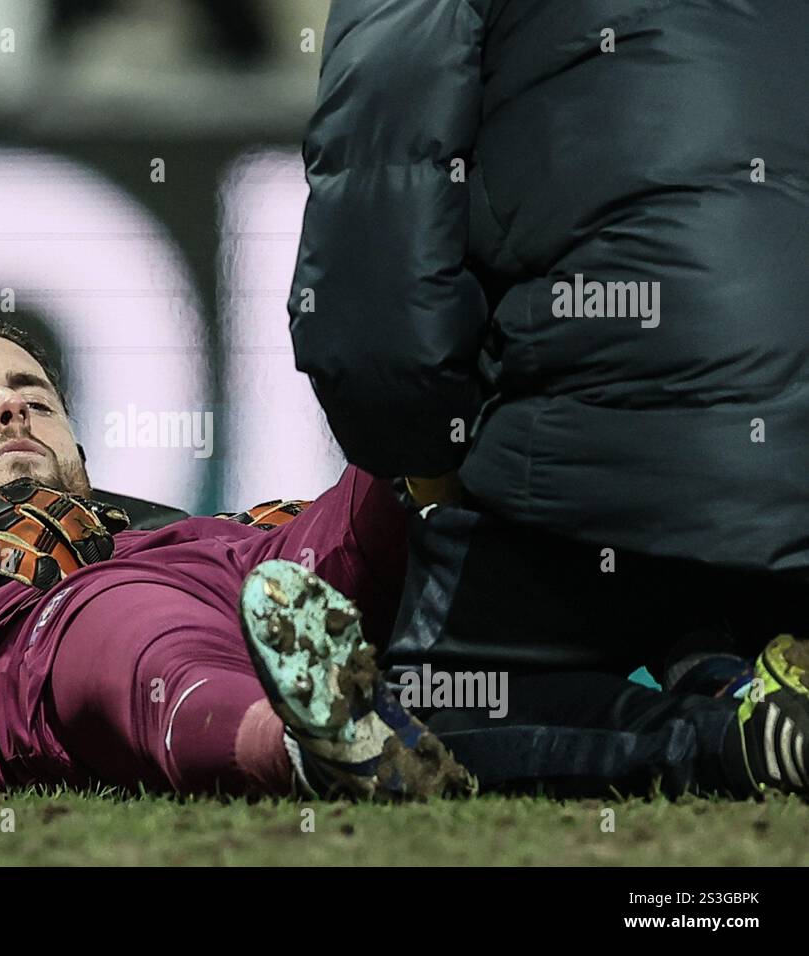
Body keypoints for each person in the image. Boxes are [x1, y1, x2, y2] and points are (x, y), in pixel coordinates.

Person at [287, 0, 809, 795]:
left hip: (642, 439)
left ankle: (730, 740)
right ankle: (725, 665)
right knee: (701, 578)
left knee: (434, 708)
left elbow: (376, 294)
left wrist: (425, 468)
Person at [0, 312, 472, 801]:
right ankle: (302, 747)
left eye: (33, 396)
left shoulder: (185, 534)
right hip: (62, 626)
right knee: (112, 614)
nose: (12, 409)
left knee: (398, 452)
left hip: (232, 567)